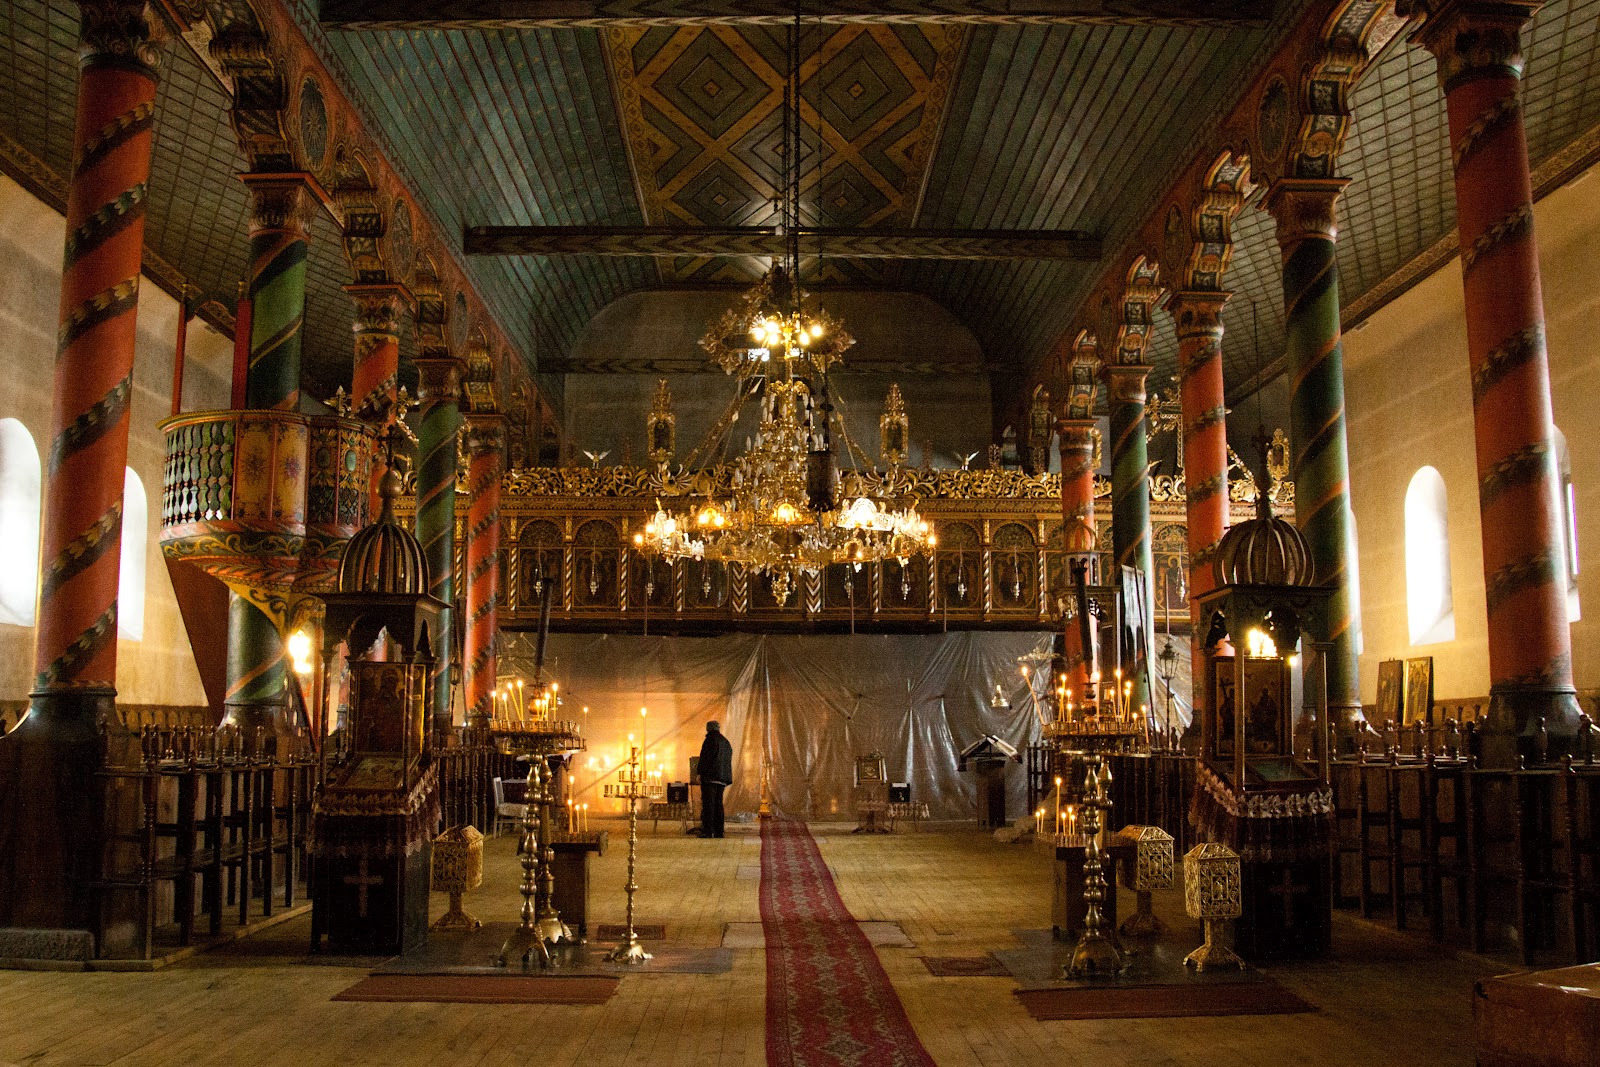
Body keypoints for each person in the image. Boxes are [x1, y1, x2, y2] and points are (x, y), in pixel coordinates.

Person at [697, 720, 733, 838]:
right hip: (722, 778)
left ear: (708, 729)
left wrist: (700, 773)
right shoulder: (725, 742)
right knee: (718, 804)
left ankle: (708, 831)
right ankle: (719, 831)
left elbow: (705, 758)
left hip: (710, 778)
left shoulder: (709, 740)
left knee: (708, 804)